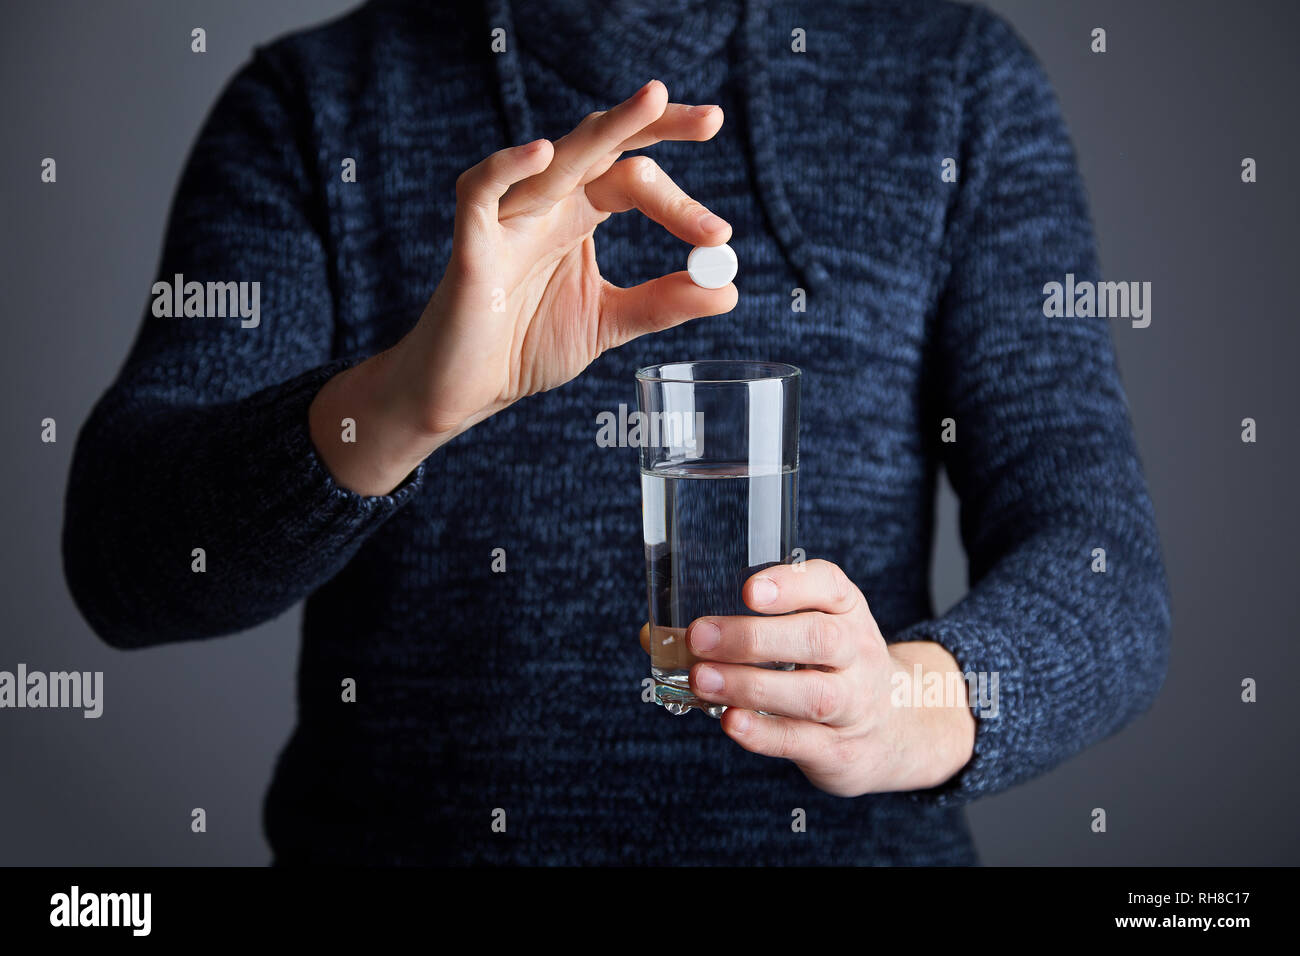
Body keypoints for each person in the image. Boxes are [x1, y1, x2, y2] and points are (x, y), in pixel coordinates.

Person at [63, 0, 1171, 865]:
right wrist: (402, 403)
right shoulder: (310, 104)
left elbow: (1105, 568)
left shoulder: (956, 83)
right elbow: (127, 565)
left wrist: (909, 705)